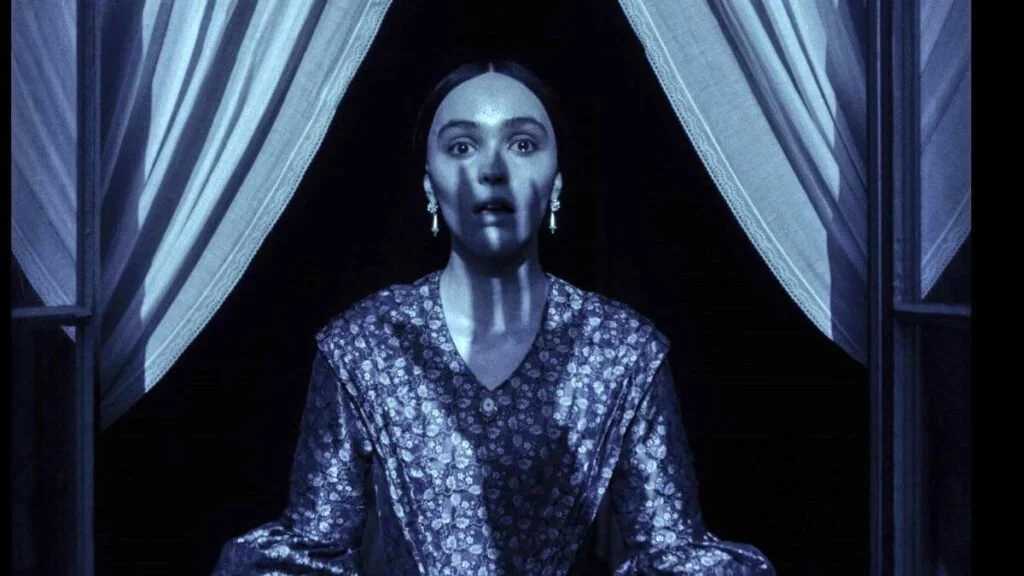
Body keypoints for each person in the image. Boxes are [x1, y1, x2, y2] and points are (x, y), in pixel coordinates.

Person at [213, 61, 774, 575]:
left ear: (557, 180)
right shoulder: (366, 345)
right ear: (429, 182)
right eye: (462, 146)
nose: (493, 170)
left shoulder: (622, 349)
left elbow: (673, 554)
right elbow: (312, 550)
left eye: (523, 144)